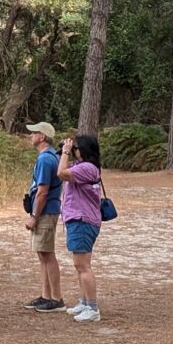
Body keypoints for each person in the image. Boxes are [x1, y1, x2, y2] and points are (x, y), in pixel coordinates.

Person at [56, 132, 105, 322]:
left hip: (83, 220)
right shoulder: (84, 167)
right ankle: (85, 302)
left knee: (83, 265)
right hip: (79, 219)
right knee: (80, 265)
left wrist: (66, 152)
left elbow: (61, 173)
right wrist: (65, 151)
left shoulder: (87, 168)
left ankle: (92, 308)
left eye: (76, 148)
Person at [21, 121, 65, 311]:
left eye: (34, 133)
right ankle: (46, 295)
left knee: (47, 254)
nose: (31, 136)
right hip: (47, 210)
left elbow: (42, 191)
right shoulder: (49, 157)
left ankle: (56, 298)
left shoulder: (45, 159)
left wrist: (34, 215)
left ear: (42, 137)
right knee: (42, 253)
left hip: (46, 211)